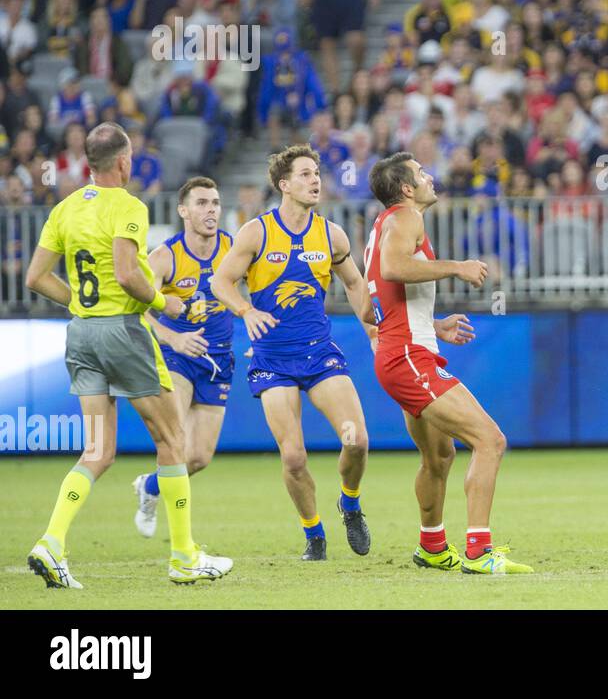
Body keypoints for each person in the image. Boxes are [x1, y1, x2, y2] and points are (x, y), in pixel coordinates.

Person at [23, 122, 232, 587]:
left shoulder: (65, 209)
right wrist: (165, 303)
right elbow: (125, 272)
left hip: (81, 333)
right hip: (123, 333)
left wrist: (79, 303)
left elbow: (35, 278)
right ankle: (183, 558)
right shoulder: (128, 206)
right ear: (123, 161)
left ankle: (52, 542)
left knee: (97, 451)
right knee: (173, 441)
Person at [364, 151, 532, 573]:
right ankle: (478, 552)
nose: (430, 177)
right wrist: (456, 267)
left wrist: (431, 325)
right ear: (406, 189)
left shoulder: (385, 225)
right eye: (421, 173)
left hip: (401, 349)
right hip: (407, 357)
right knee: (490, 440)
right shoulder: (406, 219)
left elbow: (373, 309)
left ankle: (433, 546)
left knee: (438, 457)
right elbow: (394, 267)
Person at [211, 145, 376, 560]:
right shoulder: (256, 232)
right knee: (294, 455)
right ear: (284, 185)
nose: (315, 180)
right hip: (272, 359)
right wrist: (246, 311)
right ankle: (314, 534)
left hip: (319, 353)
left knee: (356, 440)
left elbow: (355, 283)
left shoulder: (331, 234)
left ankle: (350, 504)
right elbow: (220, 283)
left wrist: (371, 327)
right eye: (304, 174)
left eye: (316, 173)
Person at [130, 177, 235, 539]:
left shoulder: (233, 249)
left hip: (218, 361)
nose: (211, 210)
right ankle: (182, 545)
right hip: (177, 360)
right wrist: (173, 339)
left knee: (198, 458)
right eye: (203, 203)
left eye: (216, 203)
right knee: (174, 440)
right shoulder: (164, 257)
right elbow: (138, 311)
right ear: (183, 211)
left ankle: (150, 487)